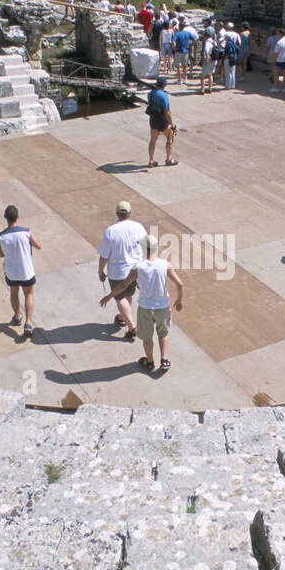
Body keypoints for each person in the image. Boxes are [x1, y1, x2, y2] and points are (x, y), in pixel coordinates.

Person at [100, 234, 184, 372]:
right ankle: (164, 360)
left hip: (145, 308)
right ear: (157, 247)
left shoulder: (138, 267)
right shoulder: (166, 265)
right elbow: (180, 284)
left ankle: (149, 362)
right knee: (163, 333)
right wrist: (179, 300)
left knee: (147, 337)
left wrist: (109, 296)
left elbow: (122, 286)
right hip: (162, 307)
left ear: (144, 249)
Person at [98, 201, 147, 340]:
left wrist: (100, 271)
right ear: (130, 213)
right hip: (136, 269)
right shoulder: (139, 227)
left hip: (118, 271)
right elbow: (146, 247)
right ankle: (122, 318)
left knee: (119, 297)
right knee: (129, 295)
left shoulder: (111, 231)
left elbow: (104, 256)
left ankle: (132, 327)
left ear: (117, 214)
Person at [0, 204, 41, 337]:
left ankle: (17, 316)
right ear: (17, 217)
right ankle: (28, 322)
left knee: (14, 294)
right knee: (29, 295)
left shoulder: (0, 237)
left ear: (6, 218)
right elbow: (38, 246)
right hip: (26, 270)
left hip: (11, 272)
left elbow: (0, 254)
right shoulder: (26, 232)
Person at [145, 77, 177, 167]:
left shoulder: (150, 93)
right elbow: (167, 111)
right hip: (162, 119)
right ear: (164, 86)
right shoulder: (164, 96)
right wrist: (171, 123)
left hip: (153, 118)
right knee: (170, 135)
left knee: (153, 140)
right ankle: (169, 159)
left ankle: (151, 161)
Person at [272, 28, 285, 93]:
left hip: (279, 60)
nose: (277, 35)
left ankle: (275, 87)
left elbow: (276, 53)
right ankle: (283, 88)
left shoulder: (279, 43)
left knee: (276, 75)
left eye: (277, 33)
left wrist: (273, 61)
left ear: (280, 33)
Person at [199, 28, 218, 93]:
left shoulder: (207, 42)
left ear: (205, 36)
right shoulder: (213, 42)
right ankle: (210, 88)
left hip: (208, 59)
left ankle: (202, 89)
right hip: (213, 59)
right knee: (210, 74)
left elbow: (206, 51)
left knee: (203, 75)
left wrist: (206, 59)